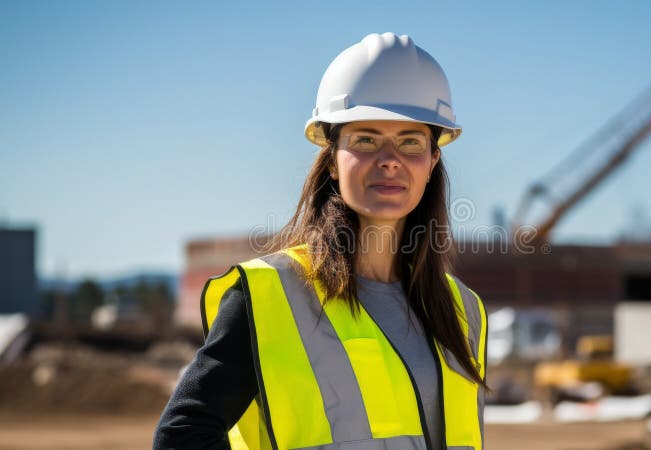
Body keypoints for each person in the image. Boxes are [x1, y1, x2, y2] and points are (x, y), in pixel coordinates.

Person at [154, 32, 488, 450]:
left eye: (410, 142)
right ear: (332, 159)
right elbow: (182, 435)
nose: (390, 158)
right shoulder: (271, 296)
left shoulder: (463, 312)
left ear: (432, 160)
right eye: (366, 139)